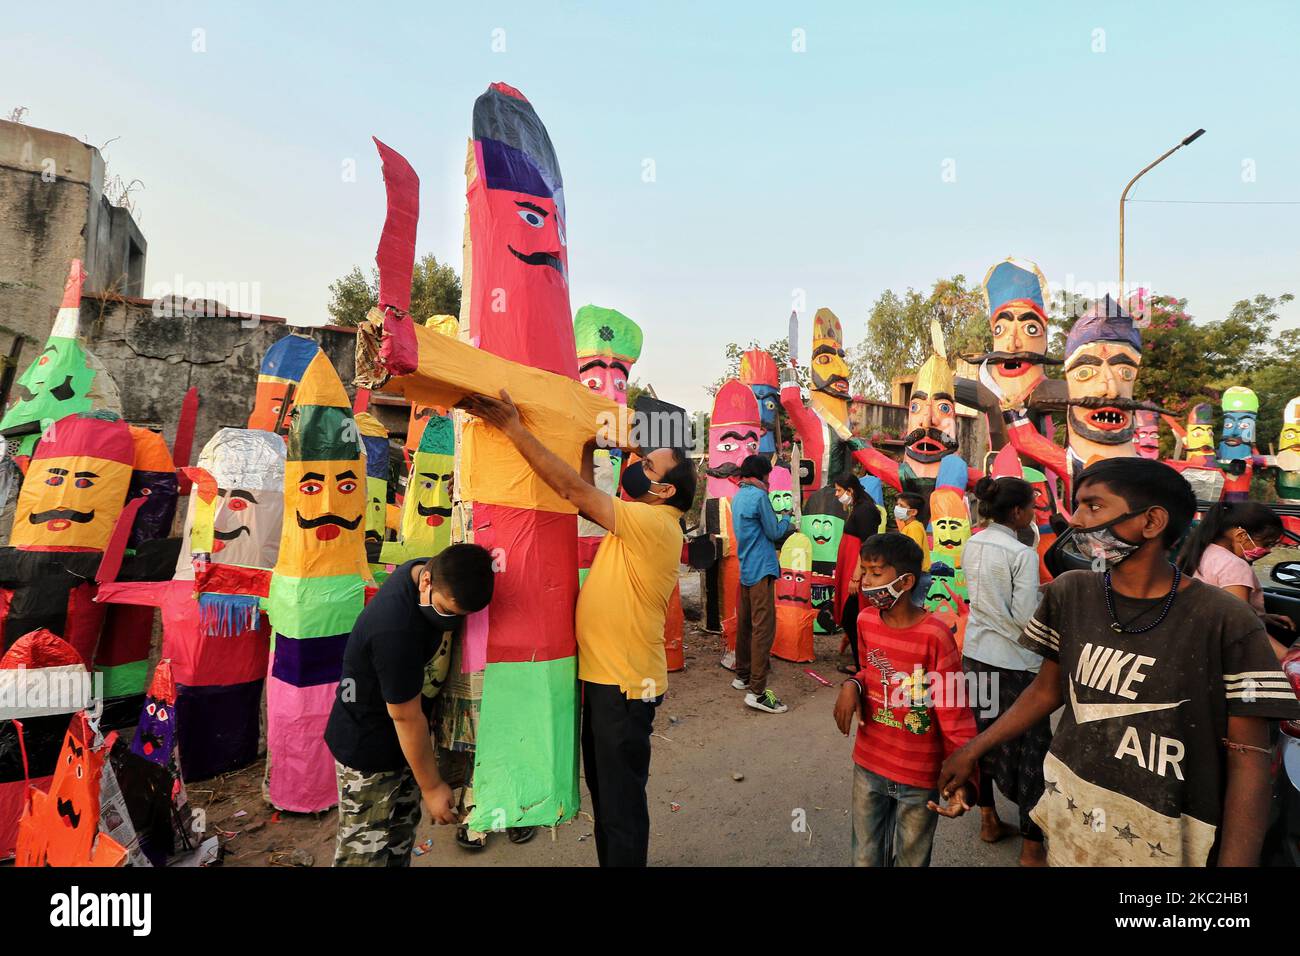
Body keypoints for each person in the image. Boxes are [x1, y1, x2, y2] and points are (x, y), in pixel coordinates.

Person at [938, 457, 1300, 866]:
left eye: (1093, 506)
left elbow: (1248, 756)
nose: (1075, 520)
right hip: (1071, 818)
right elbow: (1046, 690)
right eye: (1077, 505)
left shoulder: (1224, 619)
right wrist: (974, 748)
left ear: (1151, 522)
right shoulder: (1069, 593)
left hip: (1165, 836)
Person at [459, 388, 694, 867]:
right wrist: (587, 445)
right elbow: (590, 497)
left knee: (620, 805)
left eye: (648, 466)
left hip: (624, 688)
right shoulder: (642, 518)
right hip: (611, 683)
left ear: (666, 490)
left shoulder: (655, 525)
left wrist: (514, 428)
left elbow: (574, 494)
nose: (638, 462)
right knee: (607, 798)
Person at [325, 545, 496, 866]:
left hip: (405, 747)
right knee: (365, 854)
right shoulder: (394, 629)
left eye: (459, 617)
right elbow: (404, 716)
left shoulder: (423, 571)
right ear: (427, 581)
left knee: (398, 843)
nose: (450, 622)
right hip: (370, 750)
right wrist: (431, 786)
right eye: (446, 610)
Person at [832, 532, 978, 866]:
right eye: (864, 571)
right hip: (869, 765)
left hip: (920, 775)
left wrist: (963, 779)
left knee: (912, 860)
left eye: (875, 573)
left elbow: (955, 714)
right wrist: (852, 685)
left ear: (906, 580)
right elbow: (869, 671)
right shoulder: (865, 620)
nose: (866, 581)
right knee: (865, 857)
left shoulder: (935, 635)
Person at [960, 475, 1047, 866]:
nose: (1034, 514)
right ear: (1017, 512)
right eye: (1032, 507)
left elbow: (985, 601)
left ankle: (988, 818)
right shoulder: (1022, 554)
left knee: (984, 736)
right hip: (1017, 663)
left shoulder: (973, 542)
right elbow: (1026, 618)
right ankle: (1031, 847)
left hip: (976, 653)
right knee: (1033, 749)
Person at [1176, 500, 1294, 660]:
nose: (1268, 551)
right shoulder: (1235, 566)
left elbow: (1218, 610)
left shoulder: (1201, 553)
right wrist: (1289, 658)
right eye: (1266, 544)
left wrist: (1260, 616)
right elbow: (1240, 626)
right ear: (1241, 535)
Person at [729, 454, 793, 714]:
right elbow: (775, 532)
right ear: (762, 475)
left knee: (745, 626)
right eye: (768, 475)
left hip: (746, 568)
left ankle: (742, 675)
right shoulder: (759, 497)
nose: (769, 480)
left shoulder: (739, 496)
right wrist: (787, 516)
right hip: (761, 568)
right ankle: (758, 691)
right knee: (763, 629)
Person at [832, 472, 882, 672]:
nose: (836, 494)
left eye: (839, 490)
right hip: (852, 570)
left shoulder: (865, 511)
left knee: (854, 616)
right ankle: (860, 662)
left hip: (857, 572)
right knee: (850, 618)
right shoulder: (859, 507)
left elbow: (866, 546)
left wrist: (856, 576)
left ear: (850, 490)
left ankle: (863, 666)